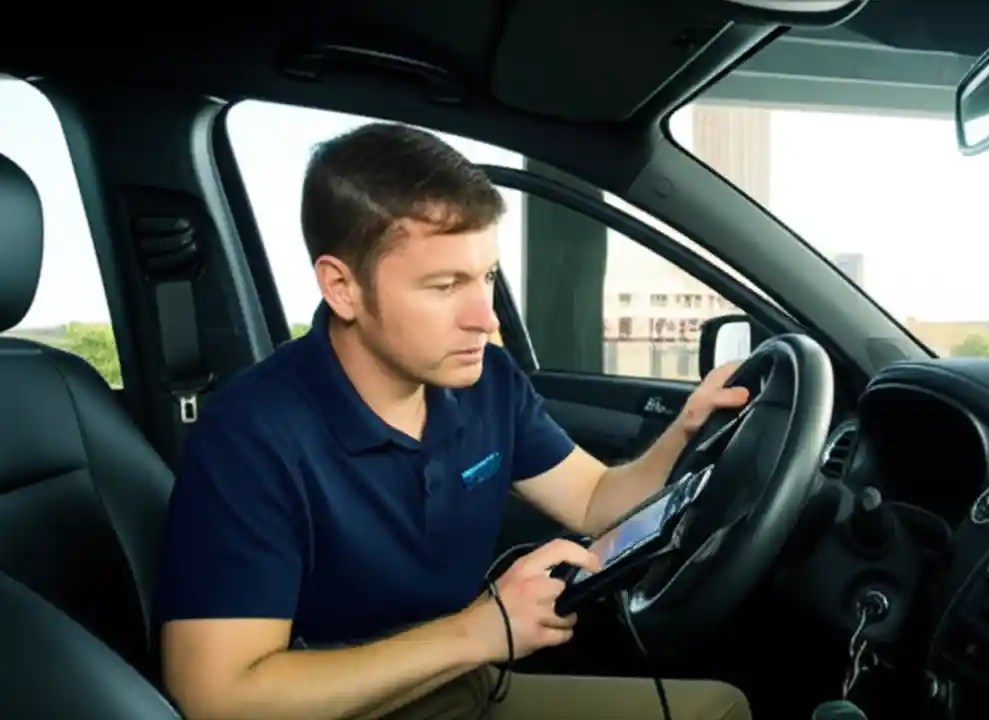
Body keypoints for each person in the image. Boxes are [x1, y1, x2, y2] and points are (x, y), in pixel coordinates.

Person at [152, 121, 754, 720]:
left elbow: (596, 499)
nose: (486, 318)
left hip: (465, 686)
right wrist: (477, 633)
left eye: (486, 277)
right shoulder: (252, 436)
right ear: (342, 288)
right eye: (445, 286)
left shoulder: (486, 382)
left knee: (720, 709)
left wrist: (686, 429)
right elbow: (220, 695)